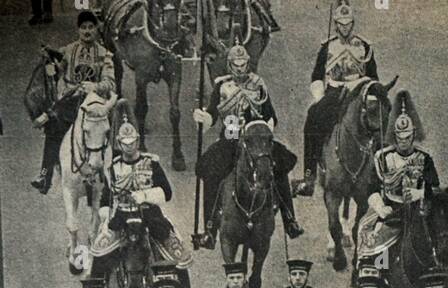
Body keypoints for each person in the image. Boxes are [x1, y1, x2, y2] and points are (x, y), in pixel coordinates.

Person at [193, 42, 302, 247]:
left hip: (255, 139)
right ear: (230, 65)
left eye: (244, 65)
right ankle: (210, 228)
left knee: (278, 166)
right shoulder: (222, 86)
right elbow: (213, 114)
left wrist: (264, 130)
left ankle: (290, 219)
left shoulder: (258, 85)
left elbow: (271, 116)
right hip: (231, 137)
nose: (241, 69)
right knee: (210, 172)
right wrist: (204, 118)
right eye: (237, 65)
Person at [296, 3, 378, 198]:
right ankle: (309, 176)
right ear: (335, 25)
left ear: (353, 24)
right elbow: (317, 75)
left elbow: (374, 76)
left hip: (359, 92)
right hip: (334, 93)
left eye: (348, 24)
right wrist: (319, 96)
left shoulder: (364, 46)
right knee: (312, 117)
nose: (344, 29)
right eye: (341, 25)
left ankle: (379, 175)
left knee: (379, 119)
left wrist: (371, 96)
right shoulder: (328, 46)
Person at [31, 12, 116, 194]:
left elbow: (111, 83)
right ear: (78, 30)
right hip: (70, 99)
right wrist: (50, 66)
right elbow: (58, 71)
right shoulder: (69, 50)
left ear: (96, 29)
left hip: (93, 102)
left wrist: (95, 86)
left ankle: (111, 178)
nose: (87, 31)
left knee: (105, 132)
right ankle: (45, 174)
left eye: (90, 27)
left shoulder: (104, 54)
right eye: (83, 27)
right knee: (54, 128)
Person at [365, 92, 440, 260]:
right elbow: (372, 188)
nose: (403, 141)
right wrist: (380, 208)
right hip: (391, 211)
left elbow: (435, 187)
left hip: (419, 211)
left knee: (446, 239)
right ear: (395, 135)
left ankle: (447, 281)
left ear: (413, 135)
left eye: (407, 137)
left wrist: (420, 193)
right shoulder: (382, 157)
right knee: (371, 242)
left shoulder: (424, 158)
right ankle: (374, 281)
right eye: (400, 137)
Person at [107, 117, 188, 267]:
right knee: (101, 248)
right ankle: (95, 285)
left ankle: (182, 286)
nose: (129, 147)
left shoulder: (151, 163)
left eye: (132, 143)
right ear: (119, 144)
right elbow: (108, 194)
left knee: (174, 247)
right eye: (125, 144)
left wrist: (144, 196)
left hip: (148, 211)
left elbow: (167, 192)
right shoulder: (113, 166)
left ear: (137, 142)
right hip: (122, 213)